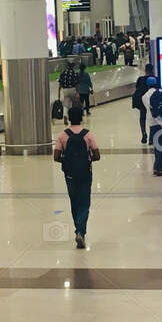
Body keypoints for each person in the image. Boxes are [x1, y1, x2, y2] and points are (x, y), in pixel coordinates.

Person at [53, 106, 101, 248]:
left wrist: (67, 161)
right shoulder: (88, 135)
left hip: (70, 175)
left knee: (74, 203)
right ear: (81, 118)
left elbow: (56, 157)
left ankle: (78, 230)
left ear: (69, 118)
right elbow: (97, 156)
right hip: (85, 173)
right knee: (85, 203)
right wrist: (87, 159)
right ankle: (81, 231)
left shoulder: (62, 136)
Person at [131, 65, 154, 145]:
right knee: (152, 119)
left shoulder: (140, 79)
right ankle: (151, 137)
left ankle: (144, 133)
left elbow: (137, 89)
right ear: (152, 70)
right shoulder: (155, 79)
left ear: (145, 70)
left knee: (142, 118)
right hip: (151, 102)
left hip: (142, 101)